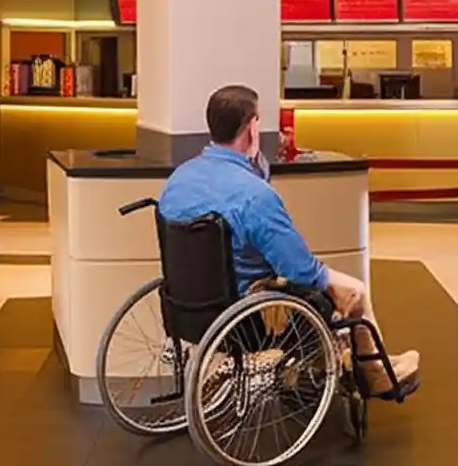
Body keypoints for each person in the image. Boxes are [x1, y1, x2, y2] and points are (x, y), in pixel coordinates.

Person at [158, 84, 420, 398]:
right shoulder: (254, 196)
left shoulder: (179, 180)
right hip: (247, 319)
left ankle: (352, 363)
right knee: (353, 292)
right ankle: (374, 374)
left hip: (184, 308)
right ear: (253, 128)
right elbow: (300, 270)